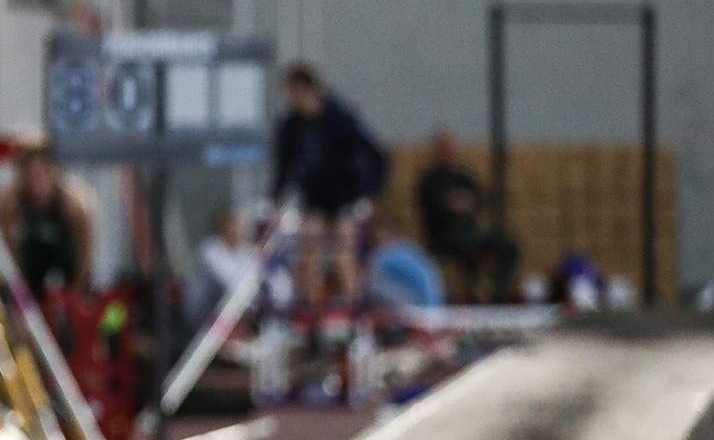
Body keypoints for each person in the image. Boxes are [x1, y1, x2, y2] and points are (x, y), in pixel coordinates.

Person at [270, 63, 387, 311]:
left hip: (344, 197)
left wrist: (370, 192)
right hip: (316, 200)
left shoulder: (339, 118)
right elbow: (284, 168)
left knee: (343, 255)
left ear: (307, 90)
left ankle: (352, 312)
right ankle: (312, 312)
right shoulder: (291, 126)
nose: (291, 99)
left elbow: (376, 153)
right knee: (307, 253)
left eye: (294, 92)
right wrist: (276, 202)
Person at [414, 129, 517, 303]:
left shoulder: (464, 176)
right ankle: (474, 295)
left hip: (471, 233)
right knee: (469, 247)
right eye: (444, 147)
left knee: (508, 246)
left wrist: (465, 202)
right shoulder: (429, 179)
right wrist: (453, 203)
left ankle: (497, 295)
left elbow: (481, 201)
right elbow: (431, 207)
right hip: (443, 235)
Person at [0, 146, 92, 297]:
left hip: (67, 273)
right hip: (29, 274)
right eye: (32, 176)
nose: (38, 184)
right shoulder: (12, 202)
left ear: (54, 173)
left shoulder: (73, 205)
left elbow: (85, 258)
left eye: (44, 174)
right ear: (23, 176)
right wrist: (20, 294)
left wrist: (76, 296)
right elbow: (4, 250)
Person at [182, 207, 294, 330]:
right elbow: (233, 285)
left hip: (230, 318)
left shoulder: (243, 251)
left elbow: (277, 283)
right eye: (234, 225)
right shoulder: (209, 250)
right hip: (201, 321)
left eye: (241, 225)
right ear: (223, 228)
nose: (241, 230)